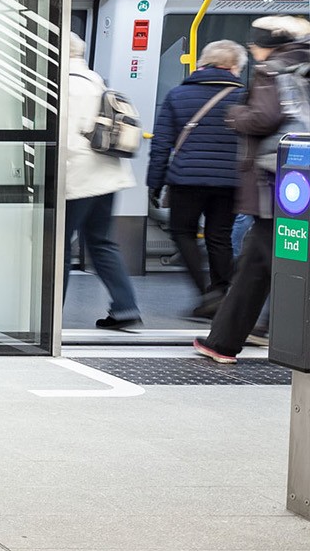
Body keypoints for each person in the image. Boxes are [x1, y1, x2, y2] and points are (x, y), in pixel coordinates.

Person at [195, 16, 310, 363]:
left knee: (257, 262)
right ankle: (227, 340)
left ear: (265, 45)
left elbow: (263, 118)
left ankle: (223, 343)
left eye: (254, 44)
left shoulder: (271, 72)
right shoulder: (304, 67)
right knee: (259, 263)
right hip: (298, 180)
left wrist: (236, 115)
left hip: (280, 181)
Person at [146, 40, 246, 318]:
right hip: (230, 181)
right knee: (219, 235)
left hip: (186, 179)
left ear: (203, 63)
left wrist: (155, 182)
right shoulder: (243, 97)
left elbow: (161, 143)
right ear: (234, 67)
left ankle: (205, 293)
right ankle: (222, 292)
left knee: (182, 232)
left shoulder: (178, 95)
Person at [63, 34, 143, 331]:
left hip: (78, 177)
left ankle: (48, 314)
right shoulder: (97, 81)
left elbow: (67, 138)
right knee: (102, 242)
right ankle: (125, 307)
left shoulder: (64, 86)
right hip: (108, 175)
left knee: (57, 244)